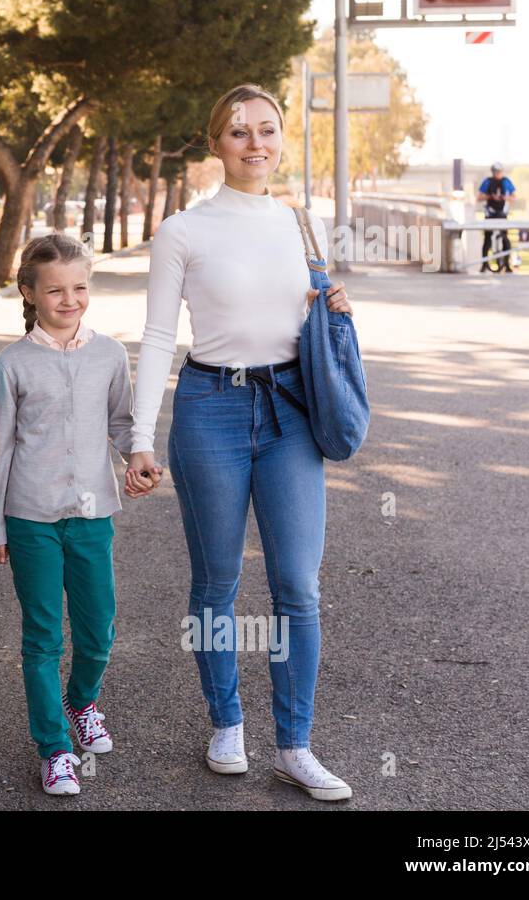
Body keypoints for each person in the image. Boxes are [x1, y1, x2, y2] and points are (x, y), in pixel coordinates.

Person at [125, 84, 355, 802]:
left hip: (289, 414)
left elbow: (308, 317)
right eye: (238, 132)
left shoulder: (302, 226)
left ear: (281, 138)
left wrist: (338, 308)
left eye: (267, 129)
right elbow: (160, 335)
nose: (255, 143)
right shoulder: (184, 232)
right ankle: (226, 722)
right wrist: (139, 437)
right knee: (217, 583)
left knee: (297, 586)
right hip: (209, 411)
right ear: (215, 143)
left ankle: (295, 745)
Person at [0, 234, 135, 796]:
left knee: (99, 630)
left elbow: (122, 422)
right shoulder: (12, 362)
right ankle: (54, 749)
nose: (69, 299)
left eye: (79, 287)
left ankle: (82, 700)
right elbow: (0, 445)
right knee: (42, 637)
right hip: (31, 518)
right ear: (29, 292)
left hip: (94, 513)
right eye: (55, 290)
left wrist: (139, 457)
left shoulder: (111, 354)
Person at [478, 162, 517, 272]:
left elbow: (514, 197)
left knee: (505, 238)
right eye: (495, 171)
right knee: (487, 239)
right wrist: (490, 197)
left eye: (499, 171)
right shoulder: (488, 181)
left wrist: (505, 198)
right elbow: (479, 197)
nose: (497, 174)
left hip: (502, 213)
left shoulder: (506, 181)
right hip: (490, 213)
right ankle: (484, 264)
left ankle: (507, 264)